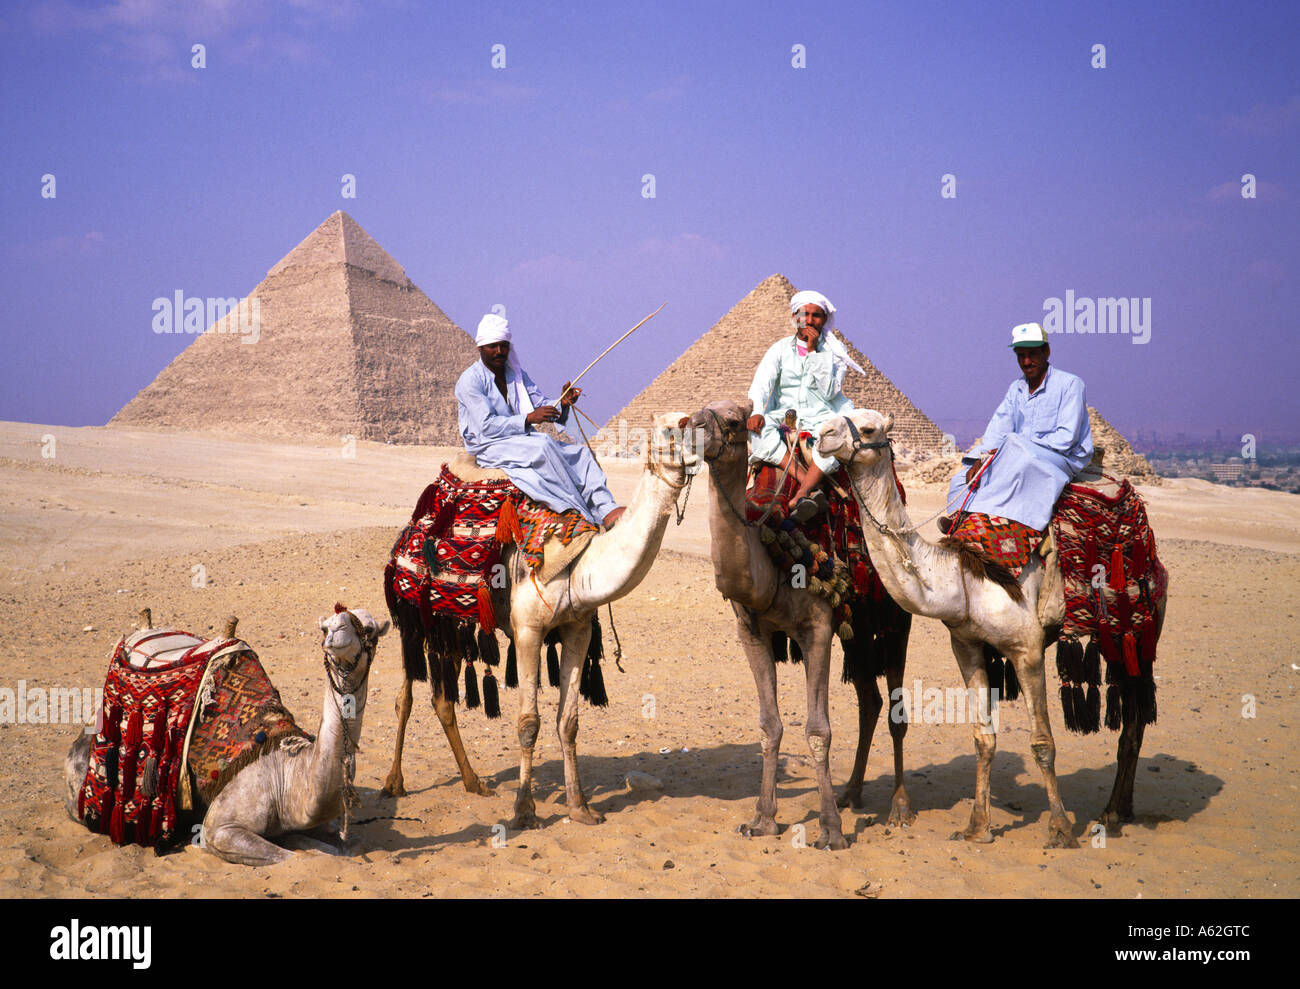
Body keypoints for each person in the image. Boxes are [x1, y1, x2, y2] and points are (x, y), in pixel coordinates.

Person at [456, 313, 625, 528]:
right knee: (543, 446)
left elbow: (541, 403)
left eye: (503, 345)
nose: (499, 351)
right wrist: (528, 418)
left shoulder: (516, 375)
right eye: (493, 346)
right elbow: (487, 426)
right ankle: (579, 512)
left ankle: (605, 508)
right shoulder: (470, 381)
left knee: (580, 453)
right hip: (488, 444)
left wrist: (563, 402)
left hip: (519, 438)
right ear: (480, 347)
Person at [941, 322, 1093, 533]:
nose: (1026, 361)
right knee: (964, 476)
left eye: (1032, 354)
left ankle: (996, 523)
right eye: (1021, 356)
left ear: (1046, 351)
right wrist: (980, 458)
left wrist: (1016, 447)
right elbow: (998, 430)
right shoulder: (1017, 389)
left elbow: (1066, 439)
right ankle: (963, 519)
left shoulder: (1069, 385)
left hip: (1063, 457)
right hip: (1019, 454)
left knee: (1017, 459)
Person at [746, 289, 864, 520]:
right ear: (795, 316)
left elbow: (830, 391)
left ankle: (801, 492)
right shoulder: (779, 349)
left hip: (824, 413)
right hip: (786, 415)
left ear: (824, 319)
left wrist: (813, 351)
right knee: (756, 433)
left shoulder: (835, 352)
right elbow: (762, 383)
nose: (809, 320)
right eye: (804, 314)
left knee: (835, 441)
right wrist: (758, 411)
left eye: (816, 315)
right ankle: (804, 479)